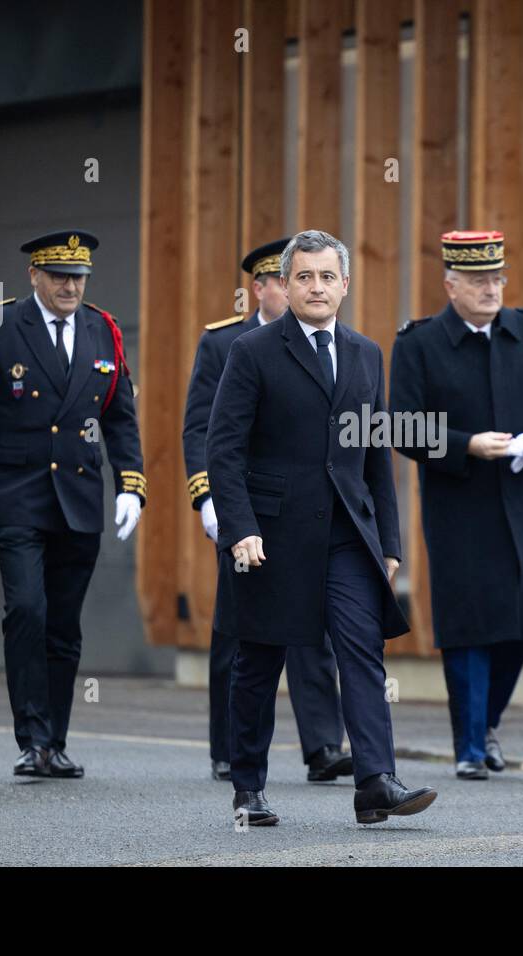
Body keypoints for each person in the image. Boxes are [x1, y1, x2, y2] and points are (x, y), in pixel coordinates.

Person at [206, 229, 436, 826]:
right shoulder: (251, 352)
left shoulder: (365, 353)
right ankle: (248, 787)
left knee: (361, 652)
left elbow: (375, 453)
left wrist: (388, 541)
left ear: (345, 286)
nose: (315, 287)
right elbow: (223, 449)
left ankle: (375, 781)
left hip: (345, 537)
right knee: (259, 660)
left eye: (326, 277)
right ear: (284, 285)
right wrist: (240, 528)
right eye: (303, 276)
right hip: (271, 538)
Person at [389, 230, 523, 779]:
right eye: (477, 281)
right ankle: (470, 747)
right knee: (469, 625)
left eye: (497, 278)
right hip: (459, 505)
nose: (491, 289)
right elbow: (400, 424)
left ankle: (486, 722)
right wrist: (464, 444)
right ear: (451, 286)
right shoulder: (418, 343)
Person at [0, 230, 145, 778]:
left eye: (79, 276)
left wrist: (132, 482)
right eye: (60, 275)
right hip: (16, 495)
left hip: (81, 497)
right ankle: (32, 738)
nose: (70, 286)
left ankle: (55, 741)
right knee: (27, 610)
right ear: (34, 276)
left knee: (63, 625)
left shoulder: (103, 329)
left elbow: (120, 416)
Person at [183, 238, 351, 783]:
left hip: (308, 517)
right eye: (289, 279)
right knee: (241, 636)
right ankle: (230, 749)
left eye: (316, 277)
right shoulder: (230, 344)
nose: (302, 288)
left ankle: (323, 745)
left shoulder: (337, 347)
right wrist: (209, 500)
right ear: (262, 287)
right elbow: (205, 431)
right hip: (245, 512)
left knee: (312, 634)